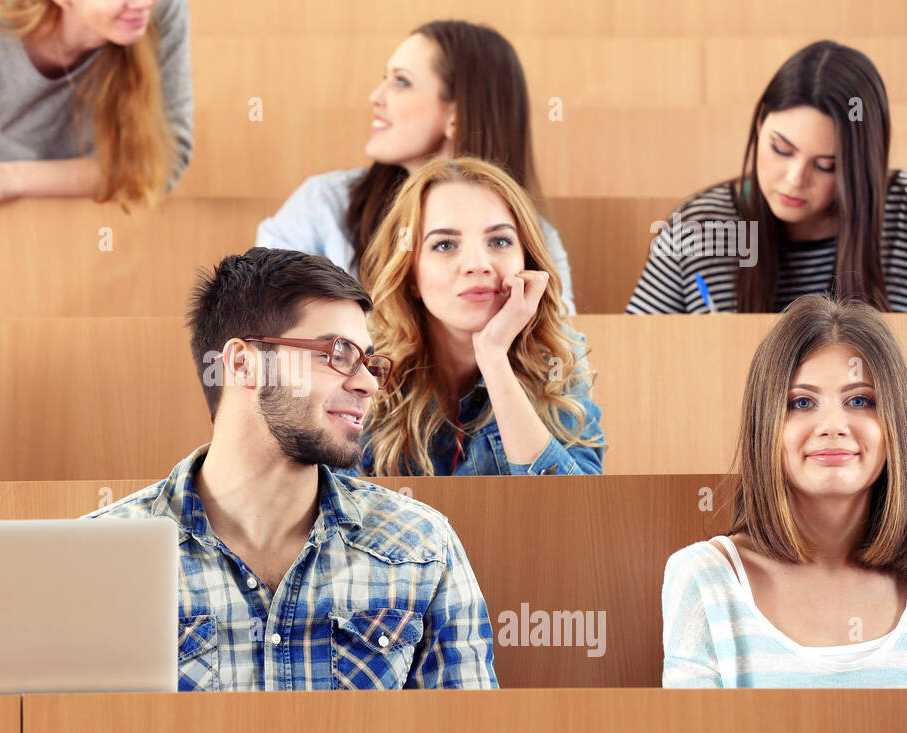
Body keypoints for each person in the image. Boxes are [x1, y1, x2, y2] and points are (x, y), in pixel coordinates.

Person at [86, 247, 498, 690]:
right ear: (244, 364)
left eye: (369, 360)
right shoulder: (99, 558)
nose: (368, 383)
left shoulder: (422, 546)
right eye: (337, 352)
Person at [663, 295, 907, 687]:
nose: (832, 425)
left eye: (859, 400)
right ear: (765, 426)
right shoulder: (705, 577)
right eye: (802, 402)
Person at [257, 20, 576, 314]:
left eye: (401, 81)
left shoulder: (536, 240)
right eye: (443, 244)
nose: (376, 97)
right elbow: (259, 319)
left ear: (457, 113)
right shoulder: (323, 205)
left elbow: (560, 350)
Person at [353, 156, 604, 477]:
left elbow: (573, 509)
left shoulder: (558, 356)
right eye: (444, 245)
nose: (477, 264)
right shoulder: (364, 360)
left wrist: (493, 356)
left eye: (499, 241)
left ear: (526, 260)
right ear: (411, 276)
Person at [629, 41, 907, 314]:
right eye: (781, 149)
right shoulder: (700, 226)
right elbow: (636, 351)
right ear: (761, 121)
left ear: (862, 167)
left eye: (826, 165)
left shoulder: (901, 213)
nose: (796, 179)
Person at [0, 0, 194, 229]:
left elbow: (163, 161)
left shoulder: (159, 10)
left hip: (99, 217)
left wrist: (9, 179)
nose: (143, 3)